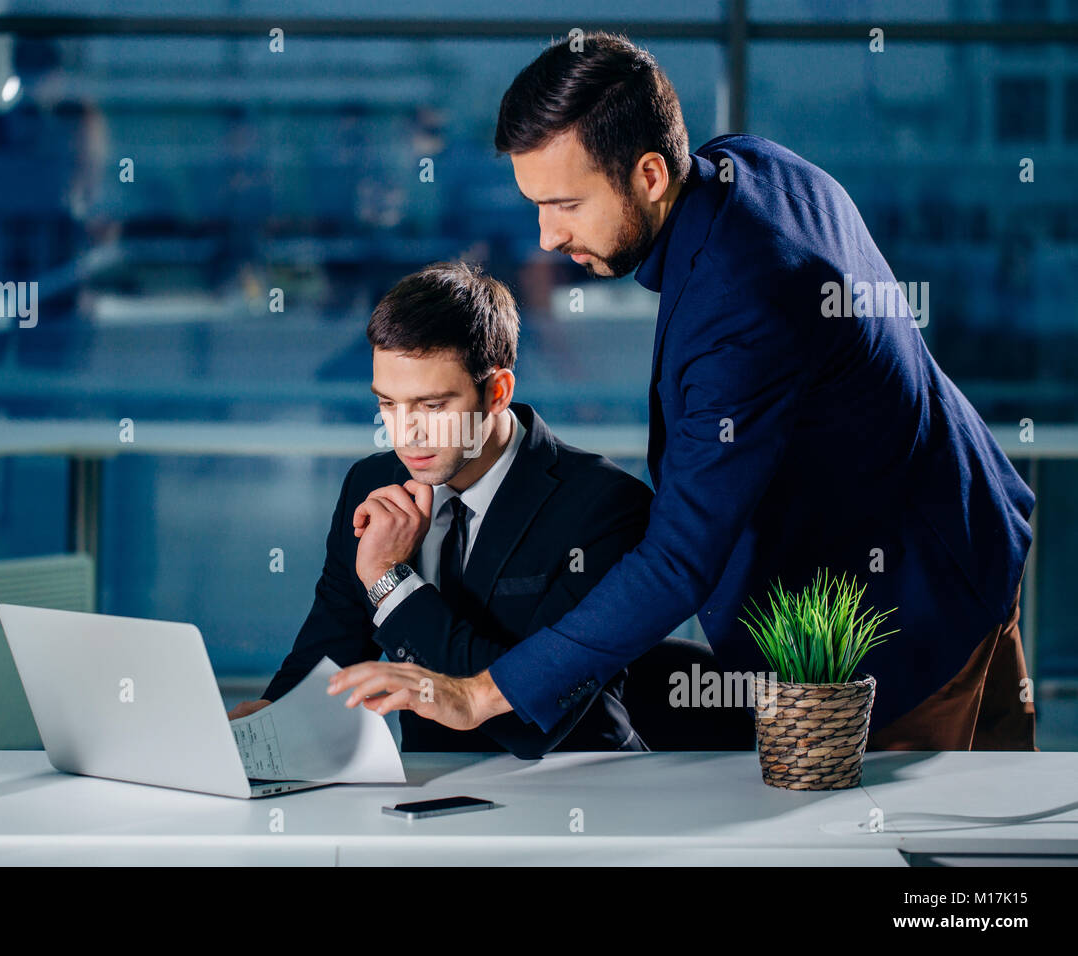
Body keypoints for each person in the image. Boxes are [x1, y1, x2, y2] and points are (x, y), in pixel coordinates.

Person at [328, 33, 1037, 753]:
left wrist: (481, 692)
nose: (546, 236)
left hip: (908, 617)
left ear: (649, 174)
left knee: (902, 845)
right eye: (537, 204)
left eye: (566, 203)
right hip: (969, 535)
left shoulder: (747, 299)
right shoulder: (744, 166)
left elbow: (679, 560)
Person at [228, 261, 658, 758]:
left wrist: (390, 581)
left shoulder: (604, 507)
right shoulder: (372, 484)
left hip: (582, 791)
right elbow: (329, 656)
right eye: (388, 404)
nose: (405, 433)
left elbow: (532, 721)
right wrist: (272, 723)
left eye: (431, 406)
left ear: (497, 392)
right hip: (430, 790)